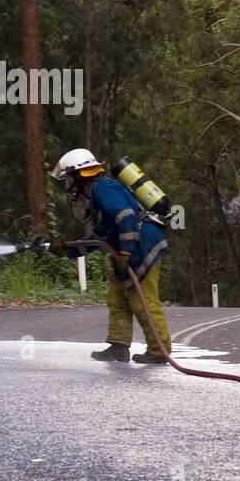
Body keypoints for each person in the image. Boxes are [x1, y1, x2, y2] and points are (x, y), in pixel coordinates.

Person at [50, 148, 171, 364]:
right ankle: (118, 347)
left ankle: (159, 350)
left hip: (142, 246)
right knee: (117, 299)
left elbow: (126, 217)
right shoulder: (98, 196)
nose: (68, 186)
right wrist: (66, 250)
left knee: (142, 301)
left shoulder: (103, 188)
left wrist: (125, 252)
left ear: (79, 174)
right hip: (127, 250)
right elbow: (98, 238)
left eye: (69, 178)